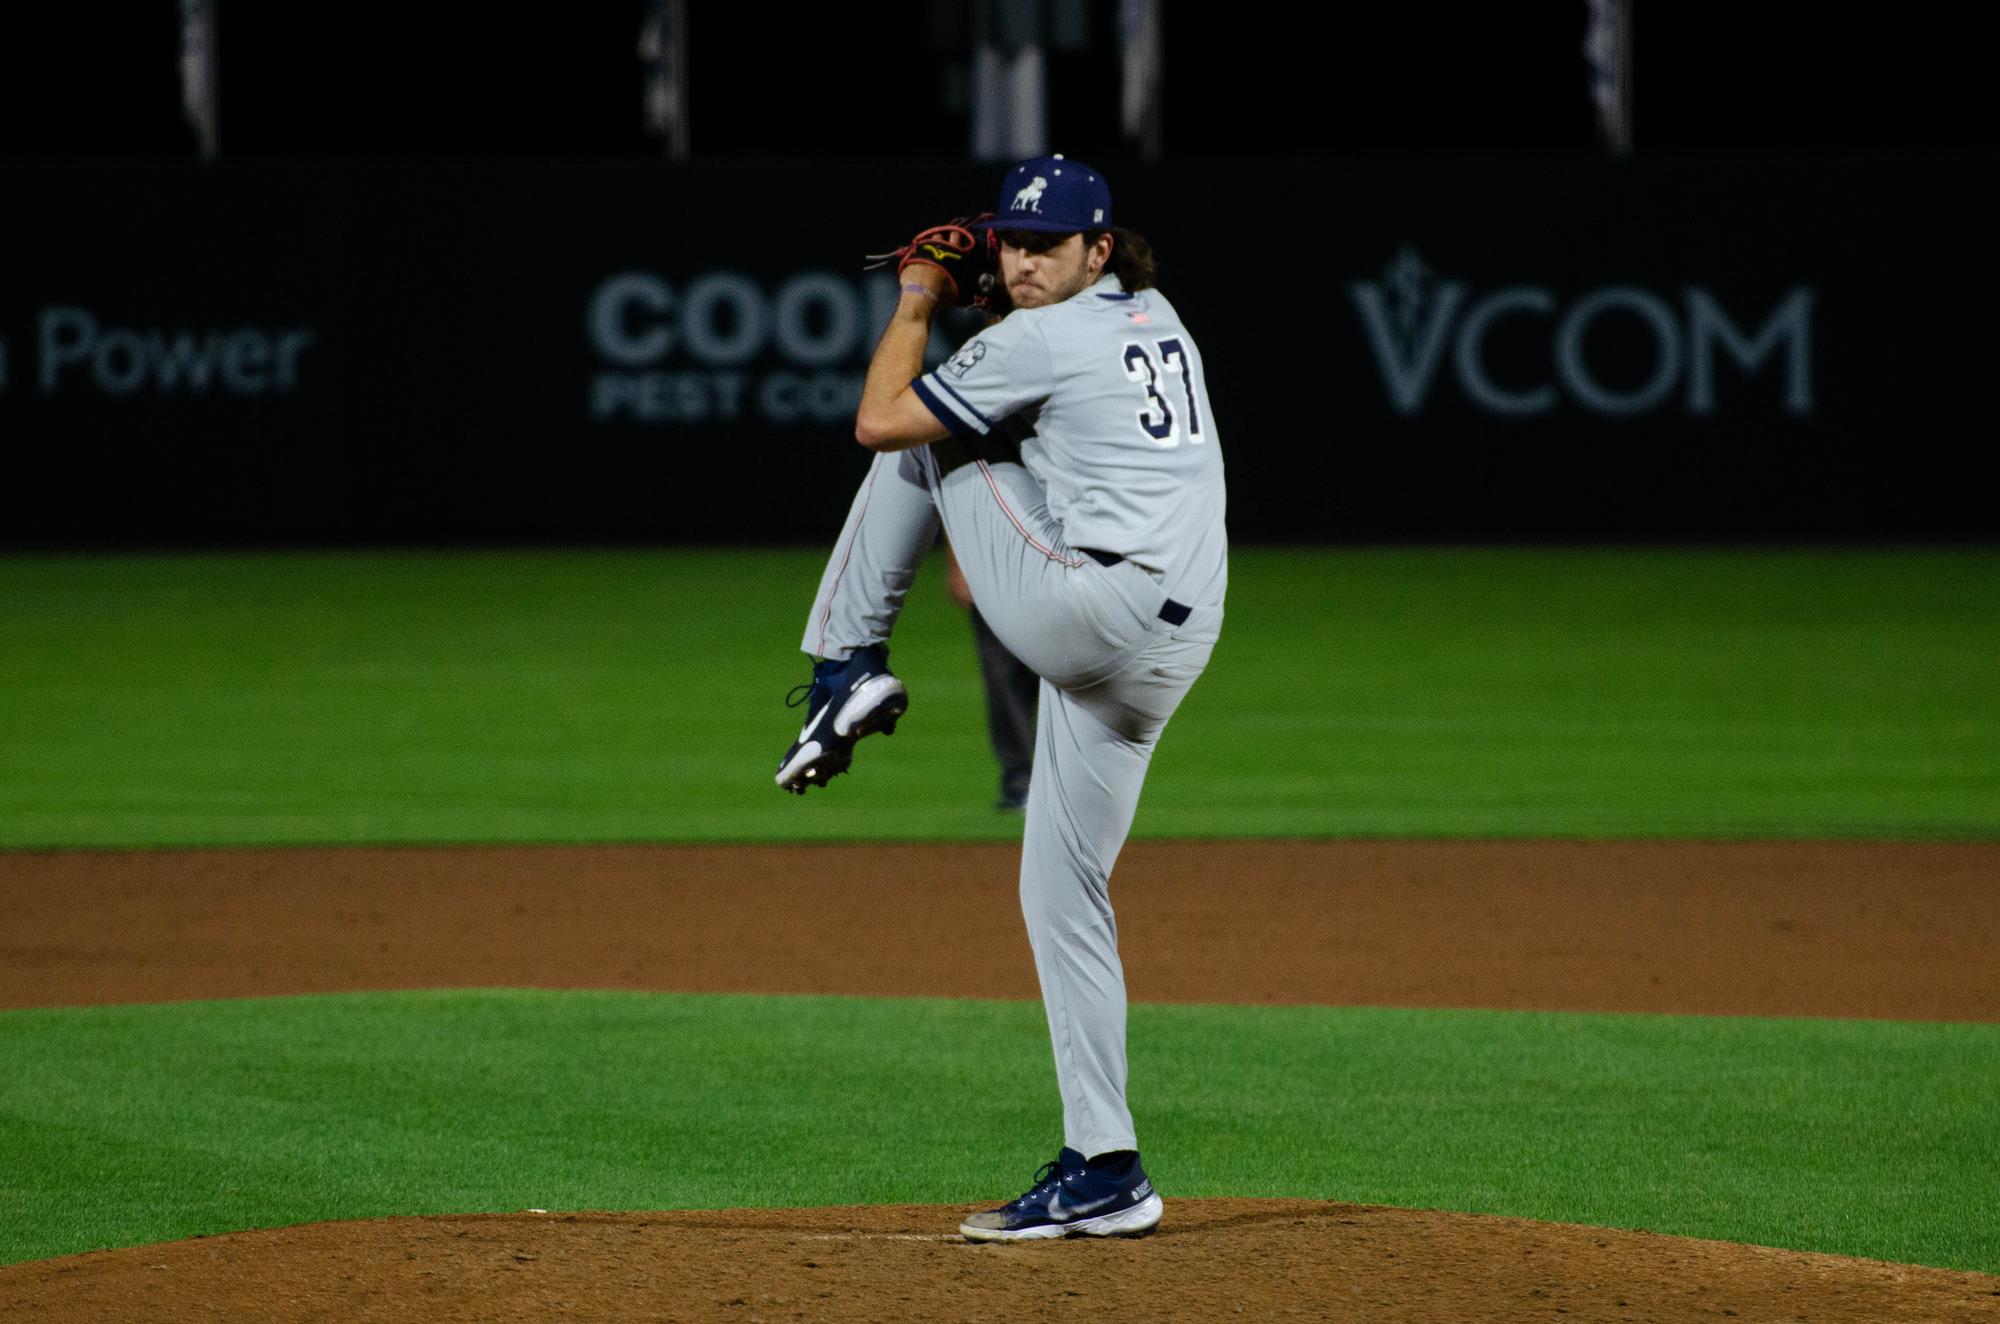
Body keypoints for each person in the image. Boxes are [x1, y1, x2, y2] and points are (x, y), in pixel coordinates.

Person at [776, 154, 1227, 1242]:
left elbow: (880, 416)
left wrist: (919, 295)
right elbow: (1060, 388)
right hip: (1175, 635)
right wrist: (996, 303)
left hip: (1097, 613)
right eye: (1012, 244)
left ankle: (844, 662)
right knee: (1060, 892)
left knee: (923, 437)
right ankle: (1106, 1167)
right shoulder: (1155, 312)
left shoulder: (1036, 338)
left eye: (1046, 246)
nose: (1023, 262)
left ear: (1096, 248)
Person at [944, 538, 1038, 811]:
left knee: (1066, 679)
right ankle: (1020, 782)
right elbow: (956, 512)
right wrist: (958, 565)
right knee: (1002, 678)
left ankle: (1069, 782)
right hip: (992, 569)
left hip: (1058, 569)